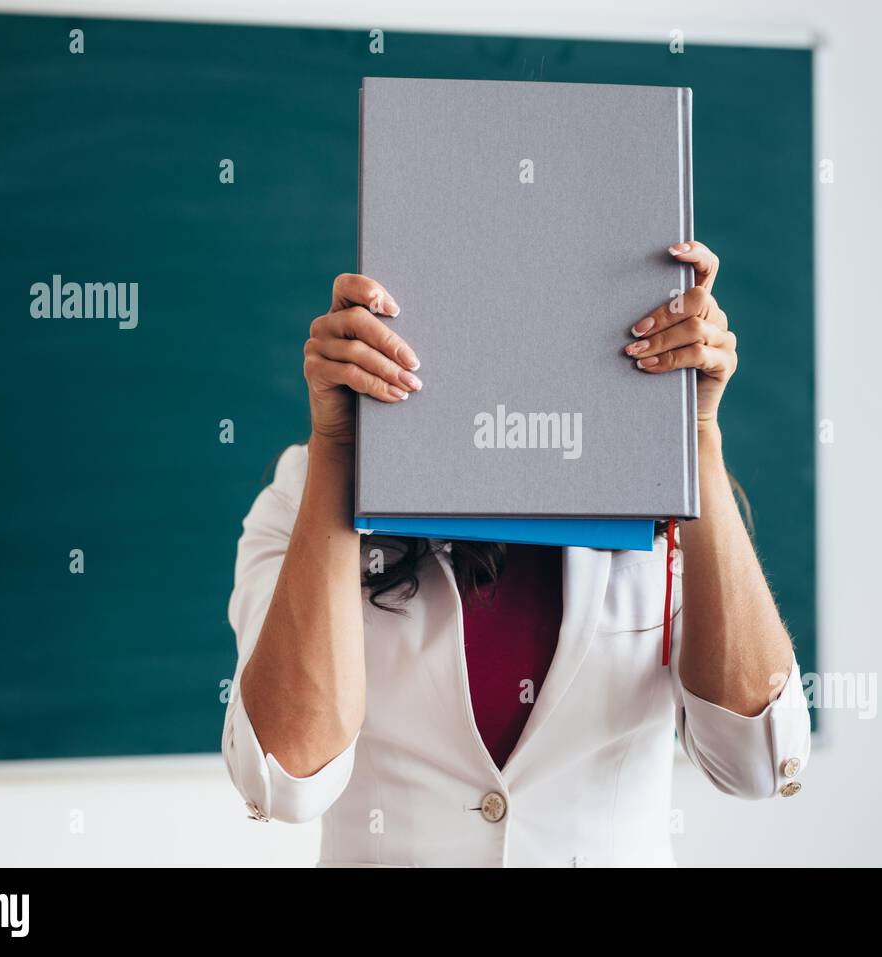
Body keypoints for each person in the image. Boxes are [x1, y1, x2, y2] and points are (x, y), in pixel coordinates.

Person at [222, 241, 811, 866]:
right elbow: (287, 778)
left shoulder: (662, 495)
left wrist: (693, 437)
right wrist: (341, 450)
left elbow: (758, 763)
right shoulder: (301, 495)